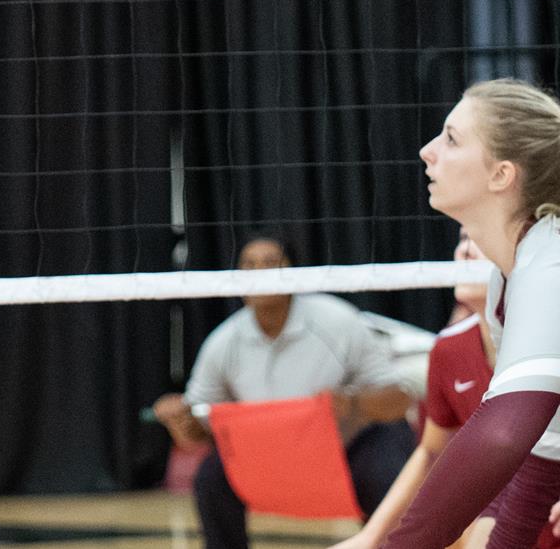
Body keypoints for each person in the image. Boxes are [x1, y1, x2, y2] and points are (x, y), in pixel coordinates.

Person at [152, 230, 418, 549]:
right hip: (270, 457)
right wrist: (180, 419)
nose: (260, 274)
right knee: (211, 475)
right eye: (249, 265)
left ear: (293, 273)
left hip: (343, 450)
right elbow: (201, 430)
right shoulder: (223, 343)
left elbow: (401, 399)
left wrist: (354, 404)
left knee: (387, 456)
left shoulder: (337, 321)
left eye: (270, 263)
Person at [381, 80, 560, 549]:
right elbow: (542, 459)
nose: (426, 151)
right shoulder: (509, 277)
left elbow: (501, 435)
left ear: (502, 175)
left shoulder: (549, 265)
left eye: (452, 138)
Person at [334, 231, 555, 549]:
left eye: (481, 237)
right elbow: (432, 452)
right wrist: (369, 538)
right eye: (462, 238)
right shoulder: (448, 350)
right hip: (501, 514)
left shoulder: (548, 342)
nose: (465, 250)